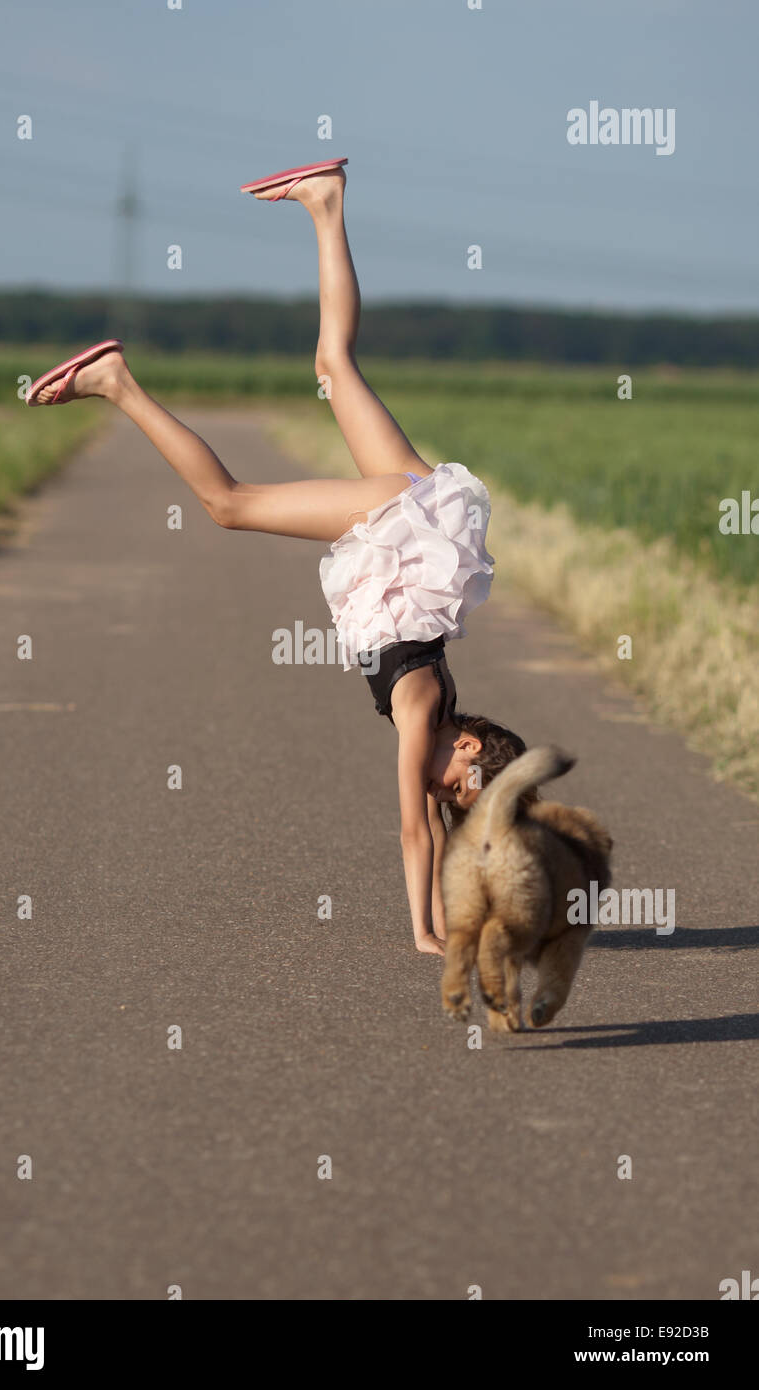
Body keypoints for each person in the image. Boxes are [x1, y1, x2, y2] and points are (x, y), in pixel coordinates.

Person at [27, 157, 529, 955]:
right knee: (230, 504)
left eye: (456, 798)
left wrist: (459, 912)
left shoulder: (439, 717)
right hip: (398, 519)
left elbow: (439, 835)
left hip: (419, 514)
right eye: (459, 785)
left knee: (334, 368)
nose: (445, 795)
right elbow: (411, 830)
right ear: (467, 745)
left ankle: (327, 206)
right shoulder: (422, 709)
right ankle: (116, 383)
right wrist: (423, 935)